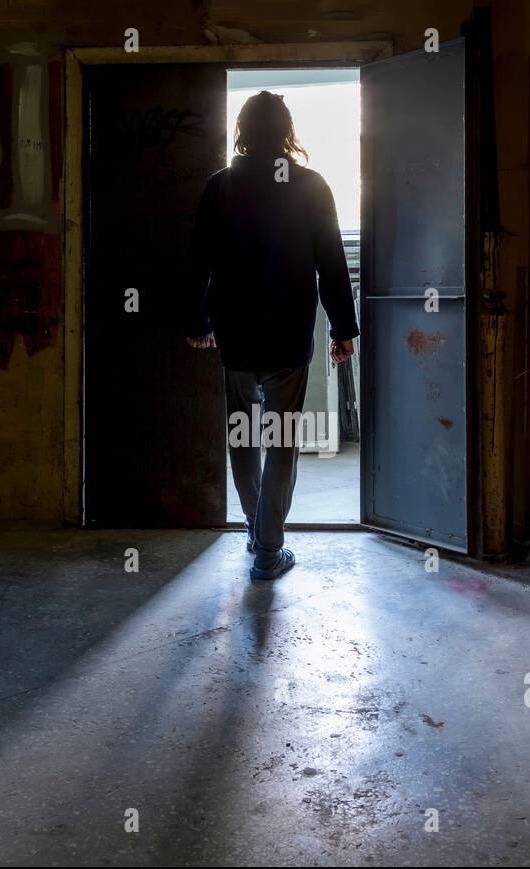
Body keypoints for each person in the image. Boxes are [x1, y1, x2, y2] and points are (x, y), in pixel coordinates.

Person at [185, 90, 358, 581]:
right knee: (280, 439)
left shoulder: (220, 187)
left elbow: (199, 263)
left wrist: (198, 323)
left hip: (236, 335)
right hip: (287, 335)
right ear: (287, 131)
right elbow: (332, 265)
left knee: (243, 436)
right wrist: (343, 330)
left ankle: (254, 528)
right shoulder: (311, 185)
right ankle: (268, 547)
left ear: (241, 131)